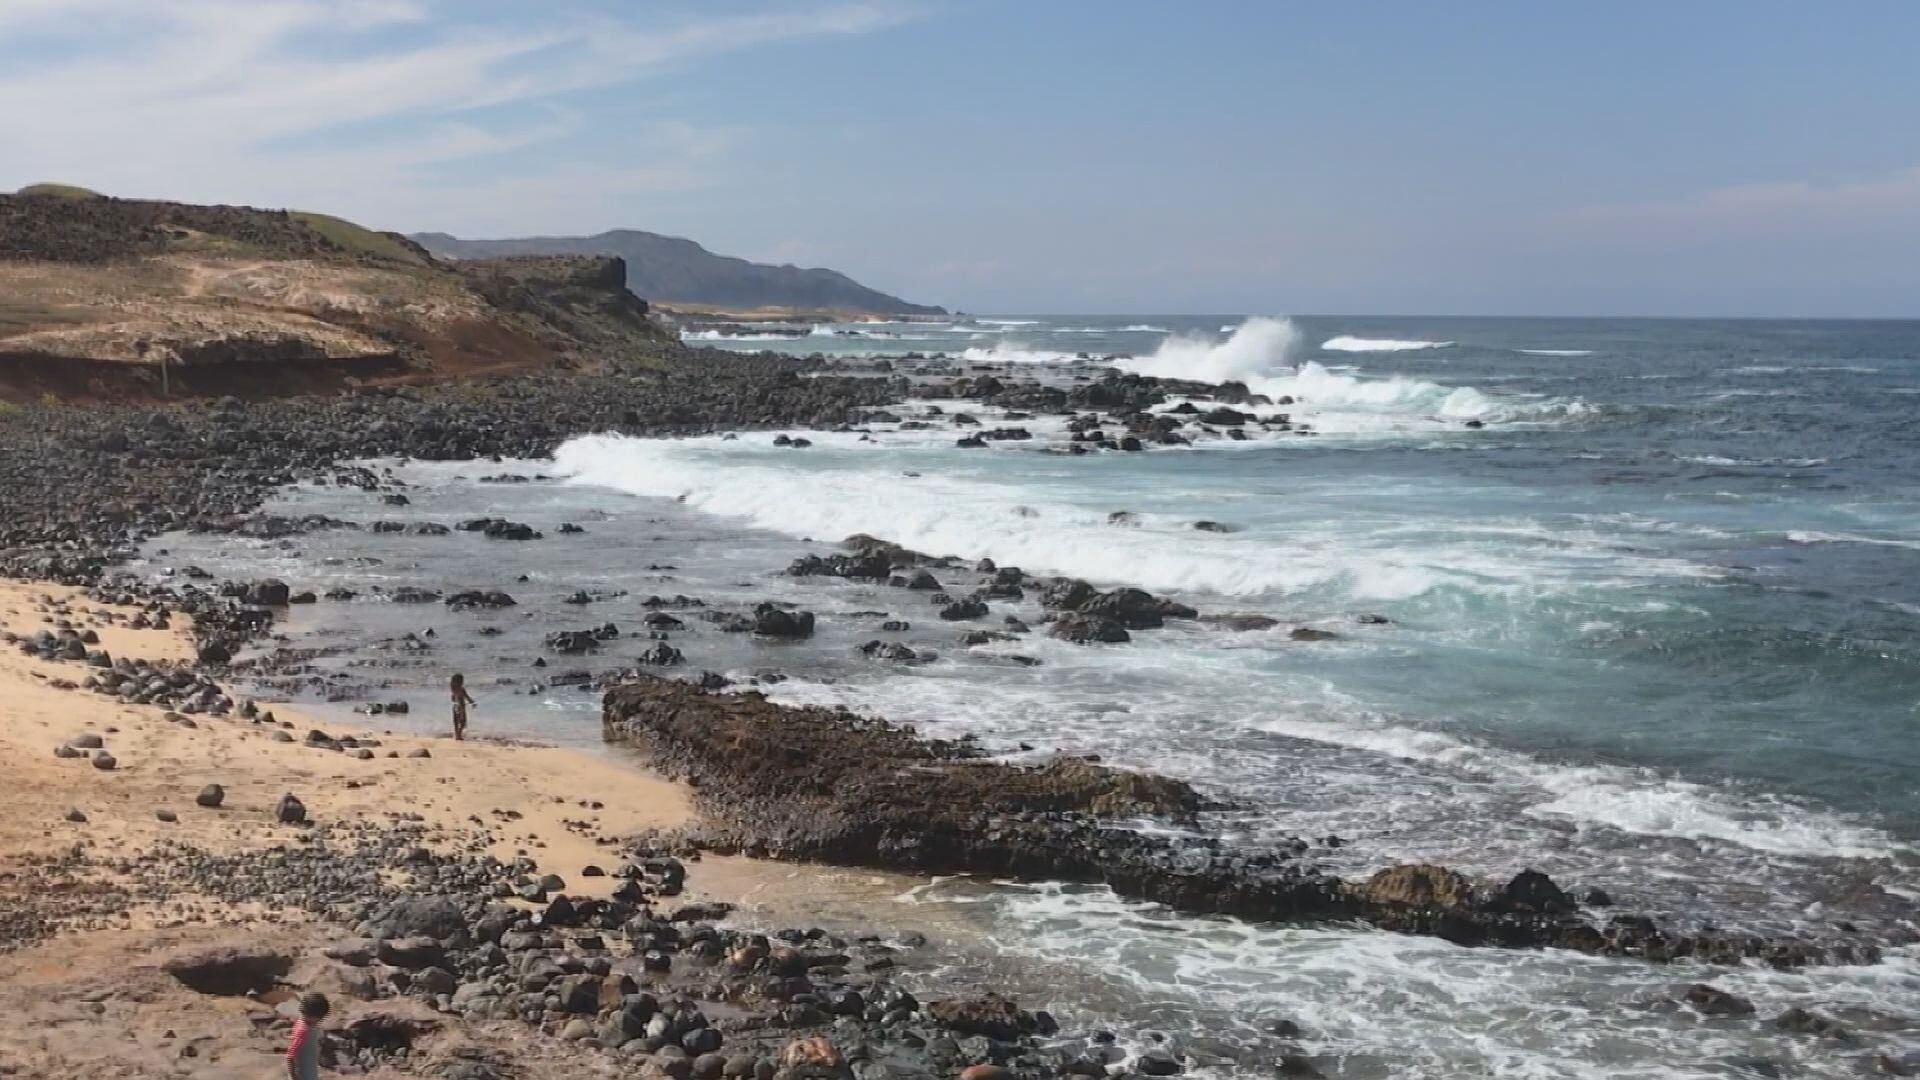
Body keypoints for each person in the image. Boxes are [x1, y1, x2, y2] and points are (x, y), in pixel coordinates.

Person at [286, 991, 328, 1080]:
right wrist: (293, 1075)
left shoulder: (308, 1025)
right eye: (319, 1018)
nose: (319, 1020)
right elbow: (290, 1055)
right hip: (303, 1073)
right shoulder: (303, 1030)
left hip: (310, 1068)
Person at [450, 672, 476, 741]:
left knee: (456, 722)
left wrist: (471, 702)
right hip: (461, 707)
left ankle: (457, 735)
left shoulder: (453, 690)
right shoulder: (461, 689)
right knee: (463, 722)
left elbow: (453, 700)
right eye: (462, 680)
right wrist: (472, 703)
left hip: (455, 707)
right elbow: (467, 697)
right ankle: (459, 735)